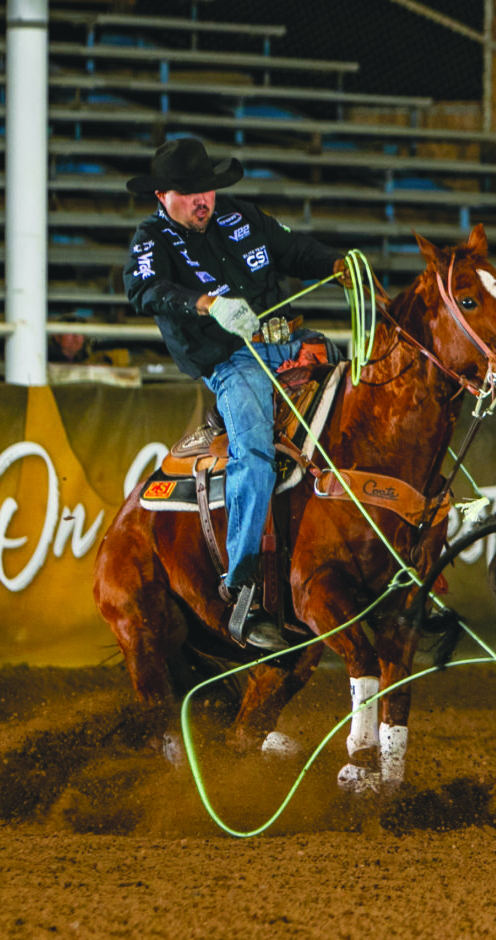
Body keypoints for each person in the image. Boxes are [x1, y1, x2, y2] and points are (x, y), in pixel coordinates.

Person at [123, 136, 346, 647]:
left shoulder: (242, 216)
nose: (202, 200)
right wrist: (206, 304)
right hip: (229, 361)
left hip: (288, 341)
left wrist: (337, 265)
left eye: (206, 190)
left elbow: (294, 249)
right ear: (161, 196)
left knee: (354, 390)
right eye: (188, 193)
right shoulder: (150, 239)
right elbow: (144, 289)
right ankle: (241, 586)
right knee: (254, 450)